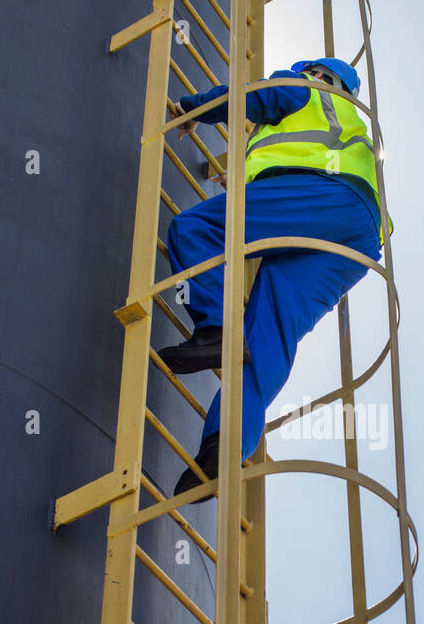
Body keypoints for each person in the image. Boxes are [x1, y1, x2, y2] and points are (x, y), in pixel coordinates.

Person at [158, 56, 392, 502]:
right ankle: (223, 450)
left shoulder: (308, 87)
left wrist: (193, 108)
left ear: (318, 73)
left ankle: (213, 329)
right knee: (268, 334)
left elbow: (253, 96)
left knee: (195, 230)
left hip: (320, 192)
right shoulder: (347, 122)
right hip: (359, 237)